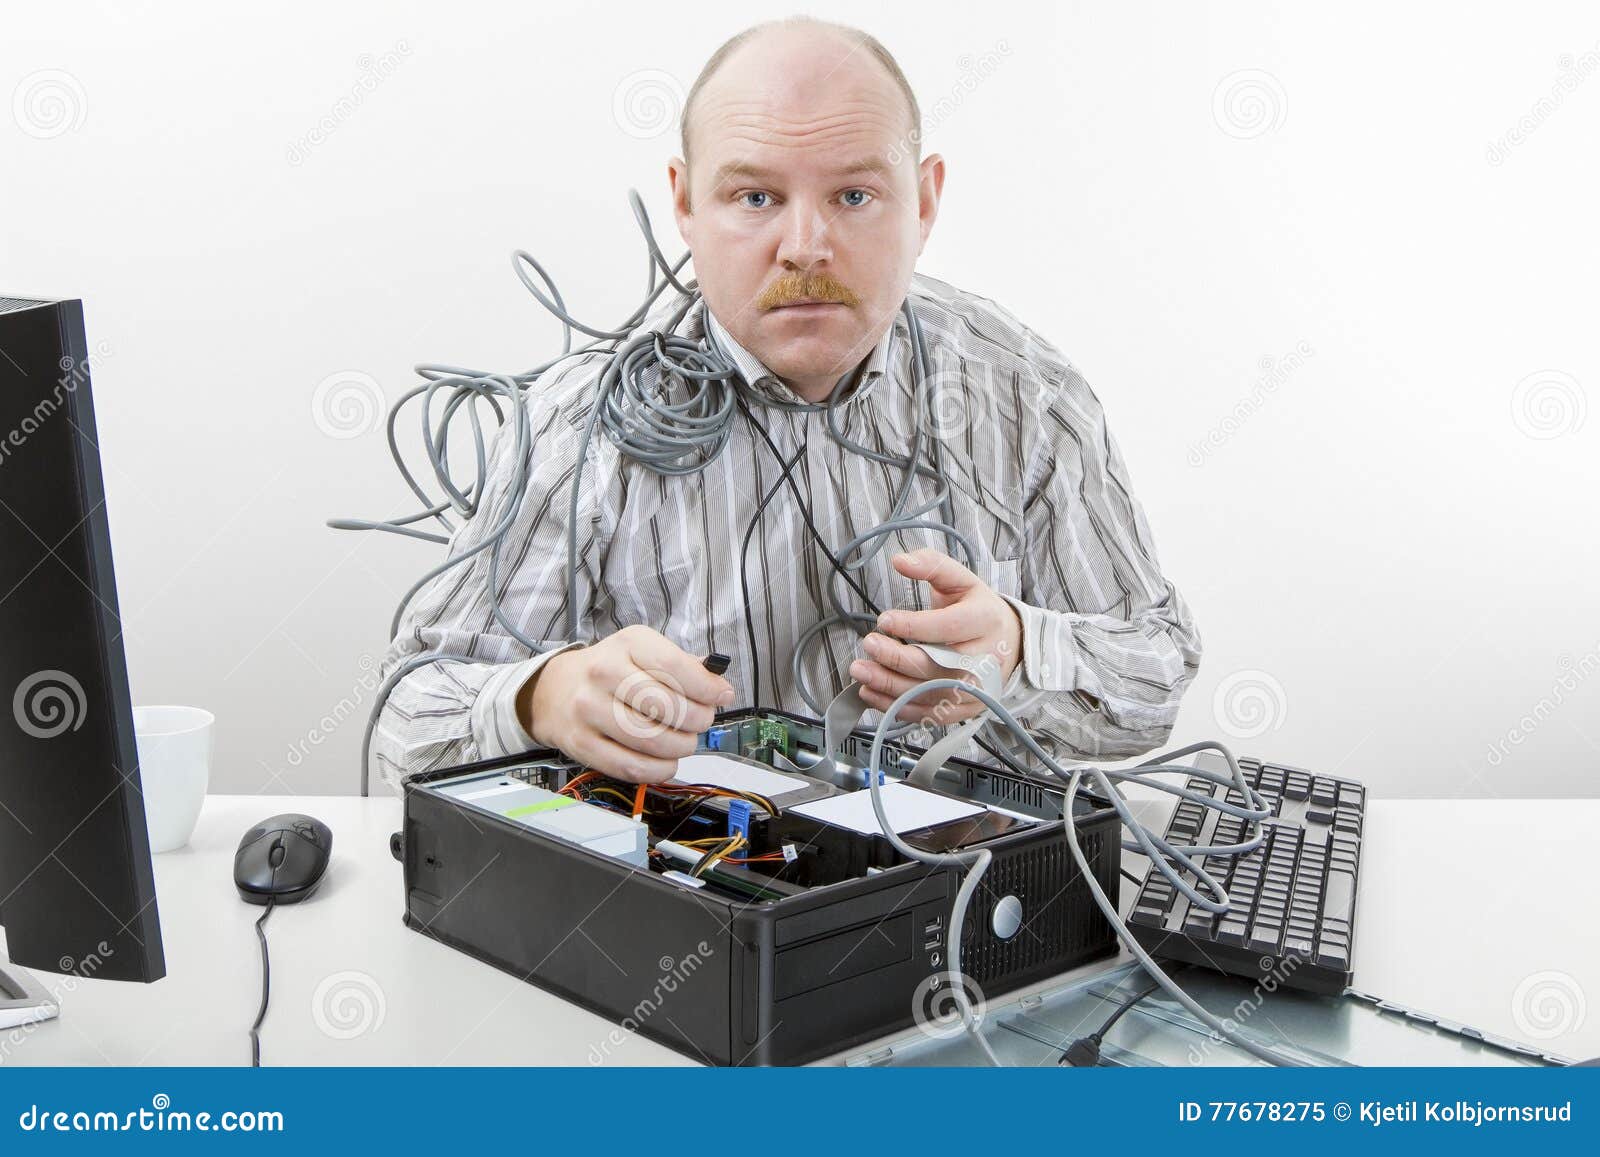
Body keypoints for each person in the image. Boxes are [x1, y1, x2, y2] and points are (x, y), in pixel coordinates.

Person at [372, 16, 1201, 791]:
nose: (805, 247)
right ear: (686, 205)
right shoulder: (576, 421)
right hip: (696, 907)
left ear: (924, 202)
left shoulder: (1024, 395)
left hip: (968, 905)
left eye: (852, 196)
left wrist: (1022, 651)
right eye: (756, 198)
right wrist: (542, 696)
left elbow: (1156, 672)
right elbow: (407, 712)